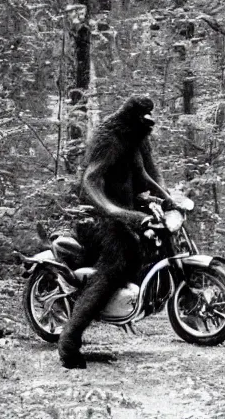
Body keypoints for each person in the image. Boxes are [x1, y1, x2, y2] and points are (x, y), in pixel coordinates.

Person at [58, 95, 169, 369]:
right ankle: (69, 340)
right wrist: (112, 210)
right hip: (97, 219)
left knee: (144, 251)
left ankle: (122, 308)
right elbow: (90, 180)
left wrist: (169, 200)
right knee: (116, 264)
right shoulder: (109, 137)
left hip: (126, 217)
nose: (150, 124)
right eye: (145, 117)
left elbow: (147, 176)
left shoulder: (139, 138)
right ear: (132, 117)